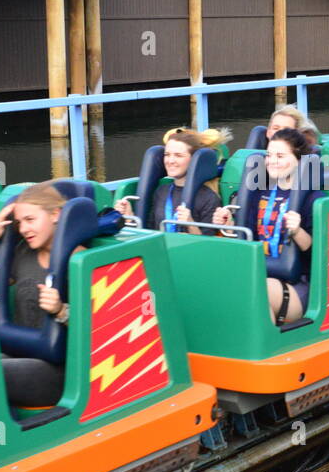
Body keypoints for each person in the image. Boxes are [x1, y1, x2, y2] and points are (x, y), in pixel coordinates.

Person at [0, 182, 82, 408]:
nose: (23, 229)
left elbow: (97, 327)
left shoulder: (80, 259)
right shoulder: (24, 253)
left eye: (30, 220)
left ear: (55, 215)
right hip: (19, 355)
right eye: (20, 222)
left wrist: (61, 310)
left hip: (60, 371)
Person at [211, 128, 314, 325]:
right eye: (269, 155)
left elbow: (317, 253)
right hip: (259, 274)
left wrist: (298, 231)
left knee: (253, 290)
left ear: (299, 160)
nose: (272, 161)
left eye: (280, 155)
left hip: (297, 284)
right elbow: (249, 236)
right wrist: (228, 225)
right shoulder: (259, 194)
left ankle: (264, 351)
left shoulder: (312, 198)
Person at [116, 128, 229, 234]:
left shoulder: (209, 198)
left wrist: (191, 225)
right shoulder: (161, 192)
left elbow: (209, 248)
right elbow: (150, 231)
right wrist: (130, 217)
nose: (170, 161)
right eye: (167, 155)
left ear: (194, 161)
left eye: (178, 155)